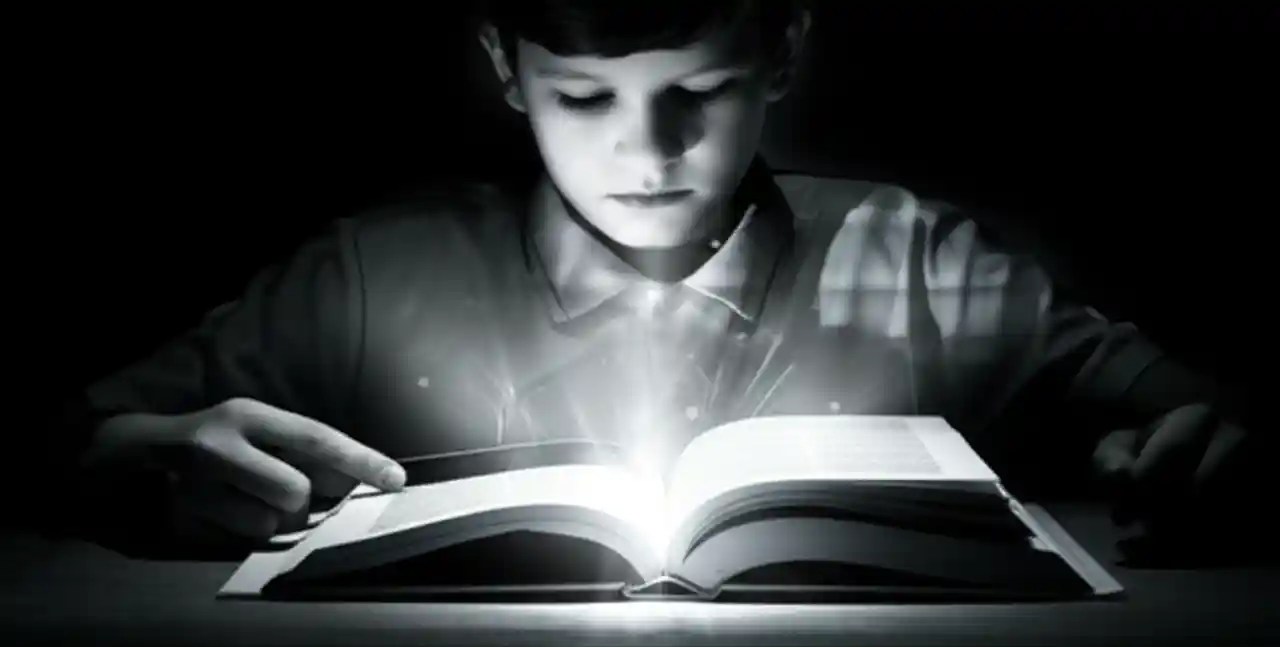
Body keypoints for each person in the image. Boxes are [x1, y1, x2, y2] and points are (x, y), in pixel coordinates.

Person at [51, 0, 1258, 563]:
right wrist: (139, 453)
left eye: (702, 88)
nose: (647, 147)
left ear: (783, 52)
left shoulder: (917, 263)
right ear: (503, 69)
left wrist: (1213, 449)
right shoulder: (374, 272)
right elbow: (66, 437)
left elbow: (1204, 410)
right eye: (584, 96)